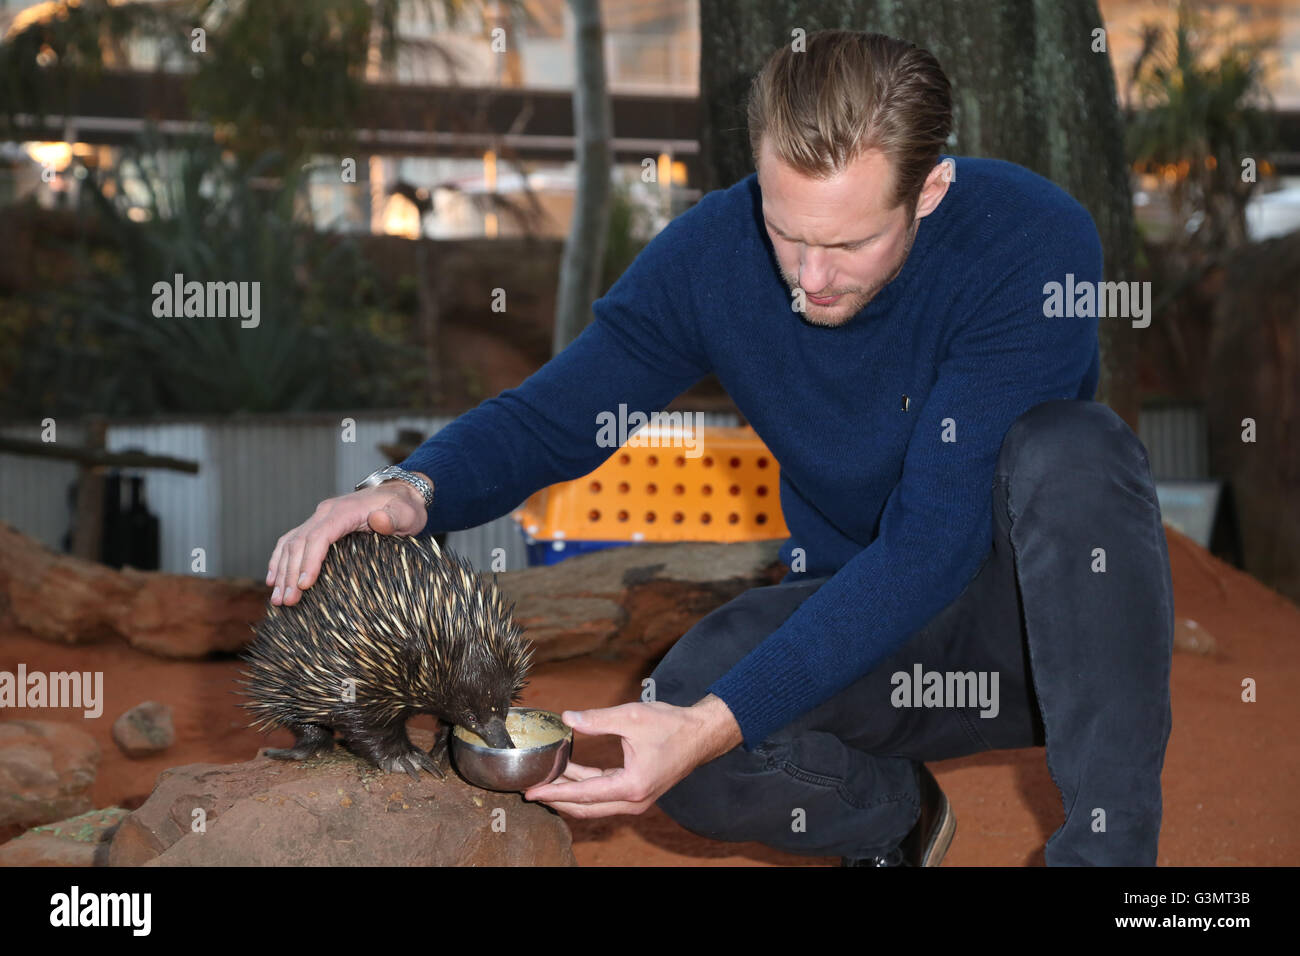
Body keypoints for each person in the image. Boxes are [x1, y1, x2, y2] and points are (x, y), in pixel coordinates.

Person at [266, 30, 1173, 866]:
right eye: (788, 233)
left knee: (1074, 448)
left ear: (929, 190)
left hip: (1040, 629)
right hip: (871, 630)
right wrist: (413, 487)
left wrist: (715, 723)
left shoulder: (1030, 239)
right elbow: (561, 414)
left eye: (849, 242)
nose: (811, 280)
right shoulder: (711, 255)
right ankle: (895, 819)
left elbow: (933, 549)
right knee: (678, 725)